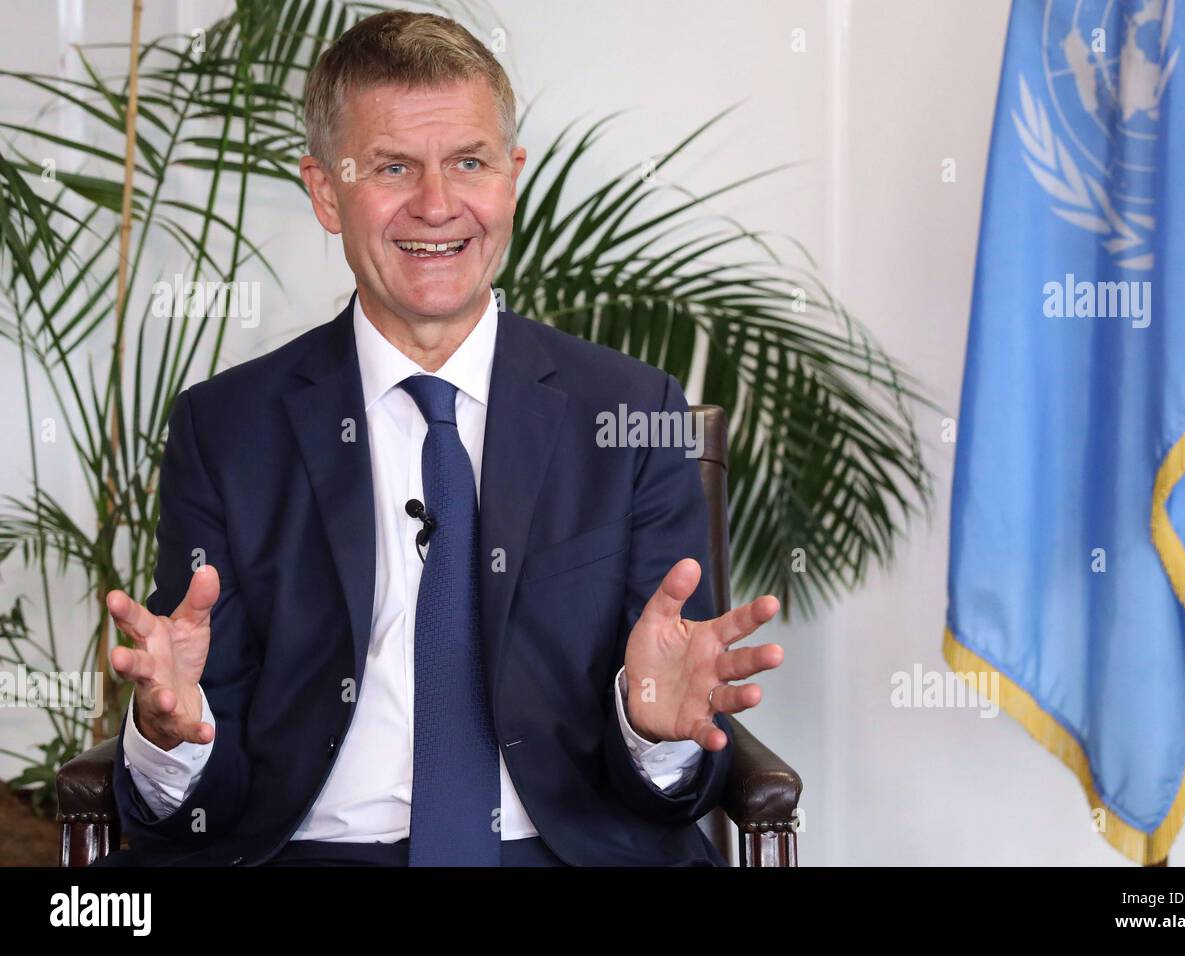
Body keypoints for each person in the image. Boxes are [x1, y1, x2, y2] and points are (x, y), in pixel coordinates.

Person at [96, 10, 783, 868]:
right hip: (315, 853)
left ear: (511, 179)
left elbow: (672, 769)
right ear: (325, 191)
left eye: (468, 162)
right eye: (393, 167)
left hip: (561, 853)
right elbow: (202, 777)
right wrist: (169, 732)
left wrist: (654, 727)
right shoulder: (227, 429)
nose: (436, 204)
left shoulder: (635, 413)